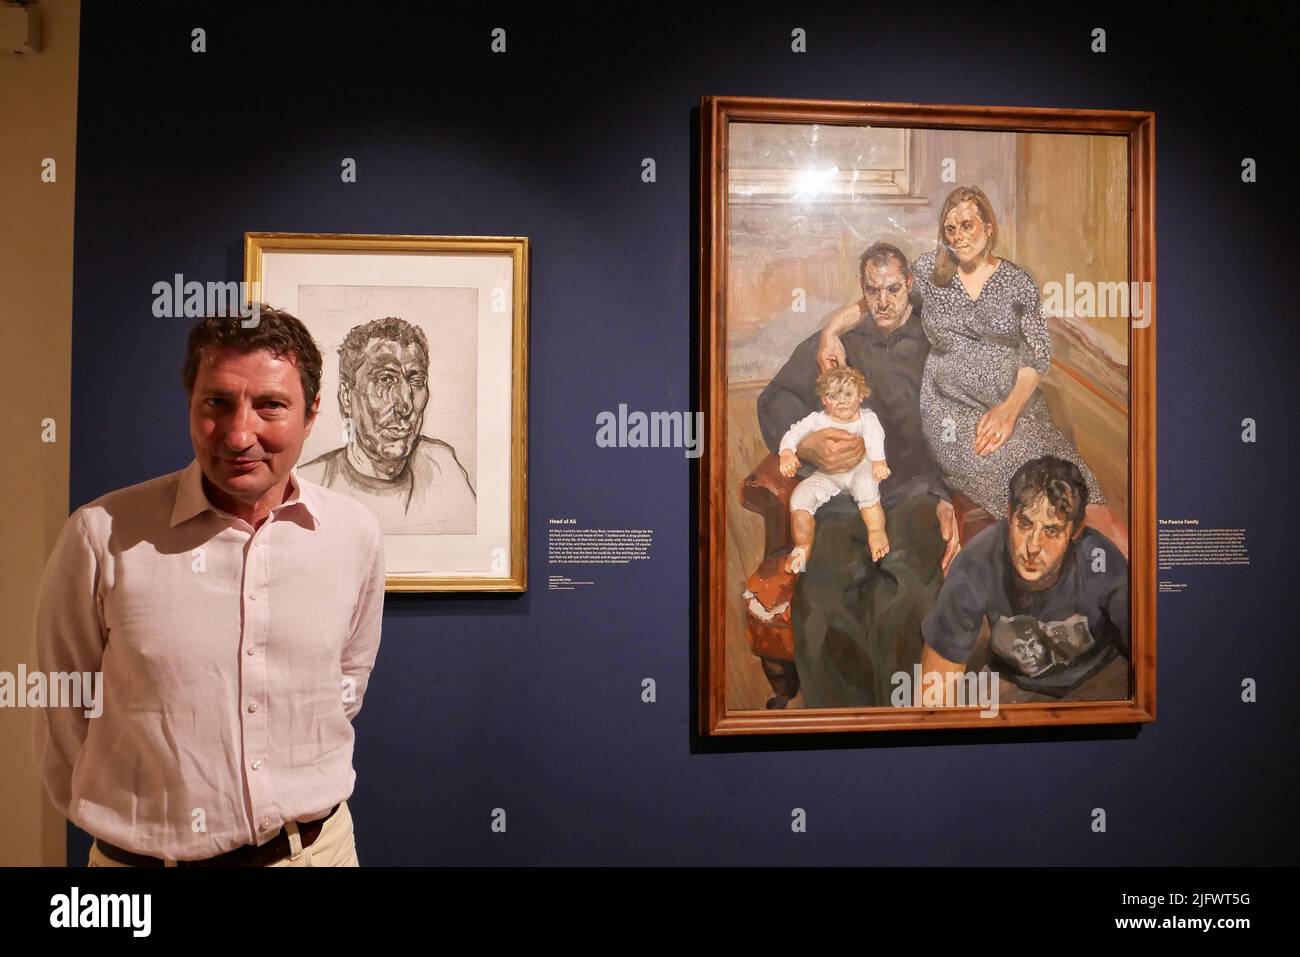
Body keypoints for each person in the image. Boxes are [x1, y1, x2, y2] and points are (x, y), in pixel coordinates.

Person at [32, 306, 386, 866]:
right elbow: (63, 702)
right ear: (191, 406)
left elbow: (346, 685)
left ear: (313, 413)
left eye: (271, 405)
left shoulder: (353, 535)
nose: (240, 434)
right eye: (217, 403)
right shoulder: (100, 535)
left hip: (316, 855)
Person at [819, 186, 1128, 556]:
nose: (959, 237)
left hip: (1013, 407)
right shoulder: (932, 275)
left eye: (967, 225)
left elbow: (1036, 355)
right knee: (1028, 485)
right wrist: (830, 332)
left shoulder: (1018, 282)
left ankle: (1131, 581)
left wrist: (1010, 411)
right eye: (950, 229)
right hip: (950, 412)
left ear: (989, 227)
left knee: (1078, 486)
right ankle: (1055, 569)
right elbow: (877, 299)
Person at [757, 243, 956, 708]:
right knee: (824, 604)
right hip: (841, 495)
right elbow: (775, 400)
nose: (883, 302)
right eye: (873, 291)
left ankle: (901, 722)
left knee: (907, 600)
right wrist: (807, 447)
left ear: (909, 285)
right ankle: (843, 726)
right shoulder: (839, 344)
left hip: (912, 492)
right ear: (862, 294)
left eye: (892, 289)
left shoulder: (936, 336)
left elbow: (959, 424)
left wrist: (946, 494)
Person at [920, 456, 1129, 701]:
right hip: (1015, 684)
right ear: (1009, 515)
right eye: (1025, 524)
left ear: (1075, 531)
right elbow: (934, 691)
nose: (1032, 547)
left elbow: (1148, 659)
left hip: (1099, 677)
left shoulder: (1101, 562)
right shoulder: (976, 561)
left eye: (1051, 530)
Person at [300, 316, 476, 535]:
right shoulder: (310, 486)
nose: (406, 404)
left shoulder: (442, 467)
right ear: (347, 397)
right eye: (385, 379)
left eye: (416, 381)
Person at [778, 365, 891, 571]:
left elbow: (876, 438)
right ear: (823, 399)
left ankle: (876, 532)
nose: (842, 401)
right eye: (833, 395)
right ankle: (802, 546)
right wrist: (787, 453)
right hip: (828, 475)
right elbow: (794, 433)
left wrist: (878, 461)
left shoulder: (867, 418)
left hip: (859, 469)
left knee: (867, 487)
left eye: (848, 394)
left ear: (860, 395)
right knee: (800, 498)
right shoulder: (817, 419)